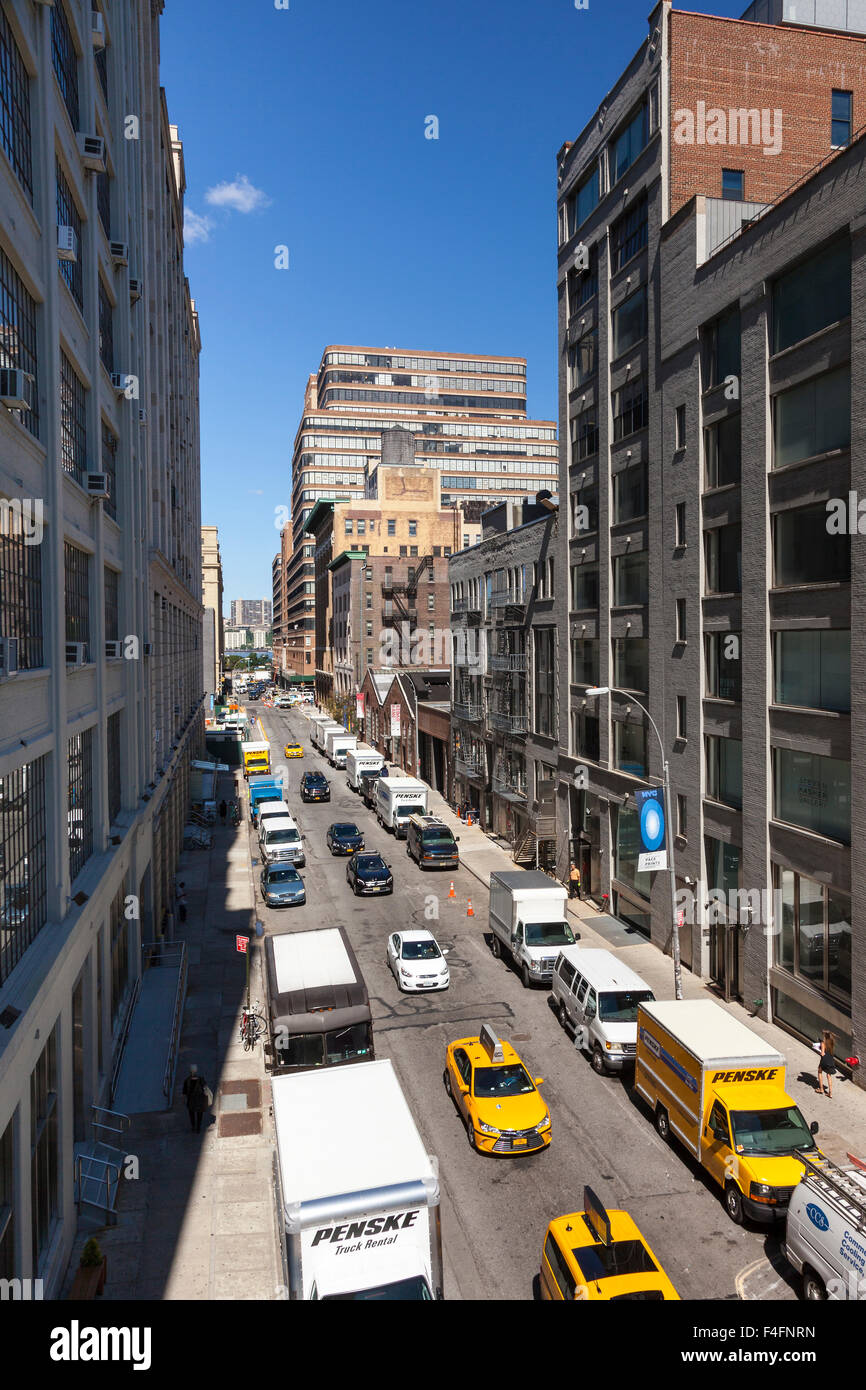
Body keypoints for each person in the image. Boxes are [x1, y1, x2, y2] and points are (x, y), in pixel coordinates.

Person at [182, 1064, 209, 1132]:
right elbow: (206, 1089)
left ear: (189, 1071)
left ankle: (193, 1126)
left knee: (192, 1114)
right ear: (196, 1071)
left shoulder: (186, 1081)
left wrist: (185, 1100)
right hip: (200, 1100)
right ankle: (198, 1127)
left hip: (191, 1101)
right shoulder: (201, 1079)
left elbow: (184, 1093)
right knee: (199, 1114)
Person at [817, 1030, 837, 1098]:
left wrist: (819, 1050)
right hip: (830, 1059)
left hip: (824, 1060)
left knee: (819, 1071)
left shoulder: (823, 1043)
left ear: (825, 1037)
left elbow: (822, 1054)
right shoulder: (832, 1043)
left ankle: (821, 1089)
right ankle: (830, 1093)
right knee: (829, 1075)